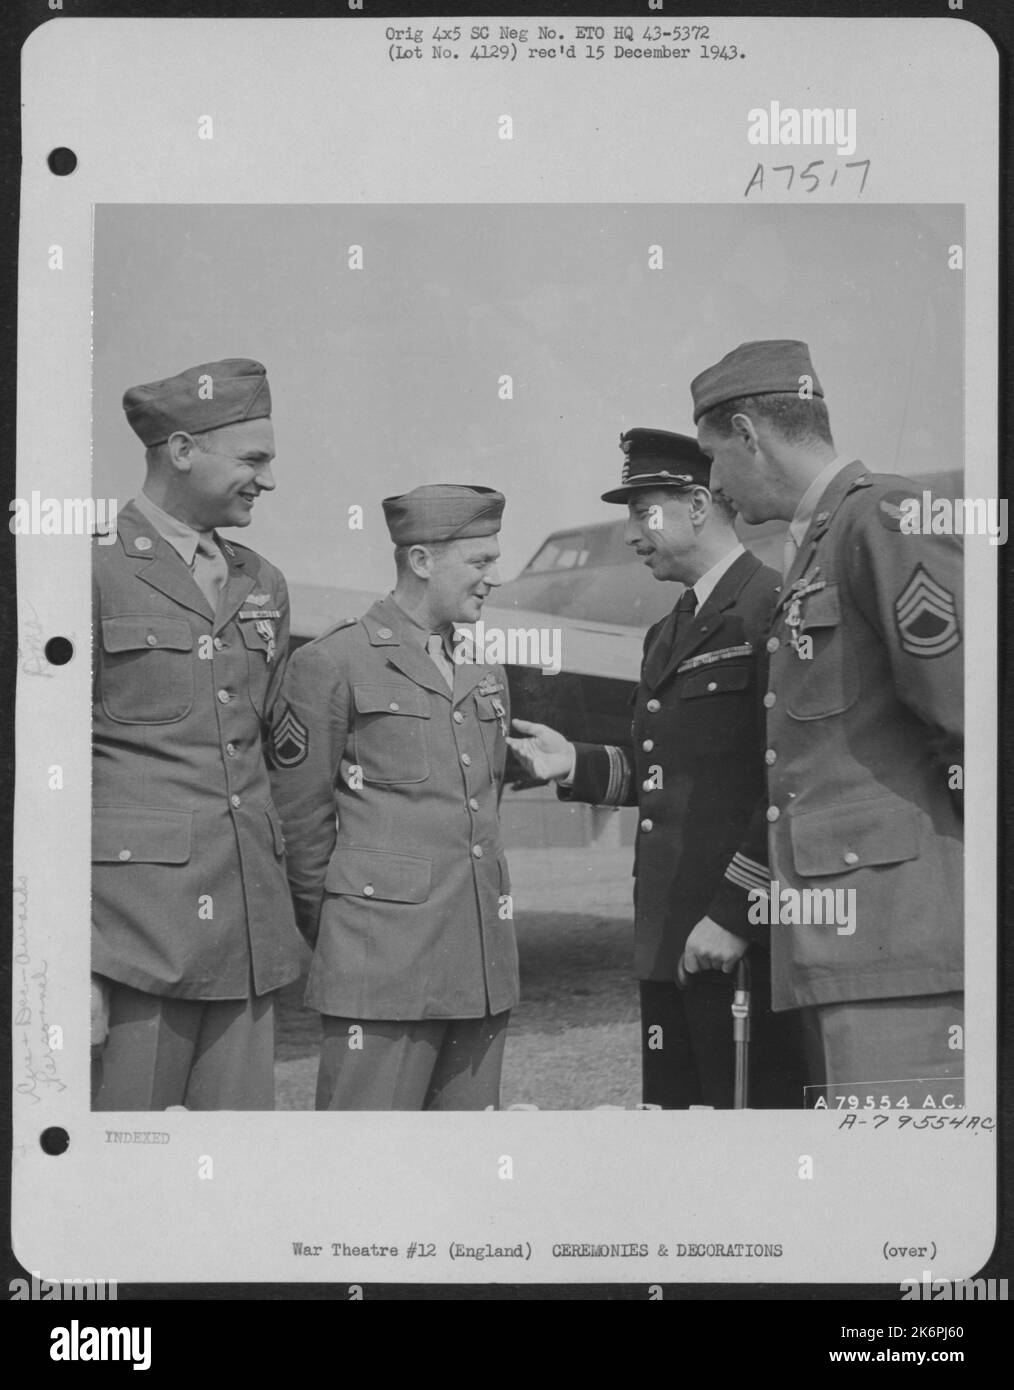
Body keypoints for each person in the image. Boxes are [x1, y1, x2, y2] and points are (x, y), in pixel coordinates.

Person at [691, 339, 963, 1101]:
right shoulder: (818, 544)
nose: (713, 483)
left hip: (899, 946)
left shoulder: (883, 520)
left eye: (714, 456)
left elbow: (970, 720)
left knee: (896, 1192)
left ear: (749, 434)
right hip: (841, 948)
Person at [508, 429, 805, 1108]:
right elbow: (664, 770)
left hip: (738, 944)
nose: (634, 537)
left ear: (698, 505)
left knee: (749, 1145)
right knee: (677, 1135)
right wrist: (572, 764)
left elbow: (795, 779)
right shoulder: (667, 631)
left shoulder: (771, 609)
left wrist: (735, 912)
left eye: (644, 514)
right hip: (670, 941)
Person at [91, 357, 304, 1110]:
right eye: (253, 459)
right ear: (181, 451)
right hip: (130, 945)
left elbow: (272, 756)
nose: (268, 480)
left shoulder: (263, 583)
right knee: (124, 1177)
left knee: (236, 1181)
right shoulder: (87, 568)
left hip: (247, 939)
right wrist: (67, 958)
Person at [269, 484, 518, 1110]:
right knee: (366, 1169)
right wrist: (356, 936)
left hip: (482, 966)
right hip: (378, 974)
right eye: (481, 562)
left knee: (463, 1174)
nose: (495, 577)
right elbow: (300, 828)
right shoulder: (333, 661)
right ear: (422, 561)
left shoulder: (486, 672)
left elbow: (481, 813)